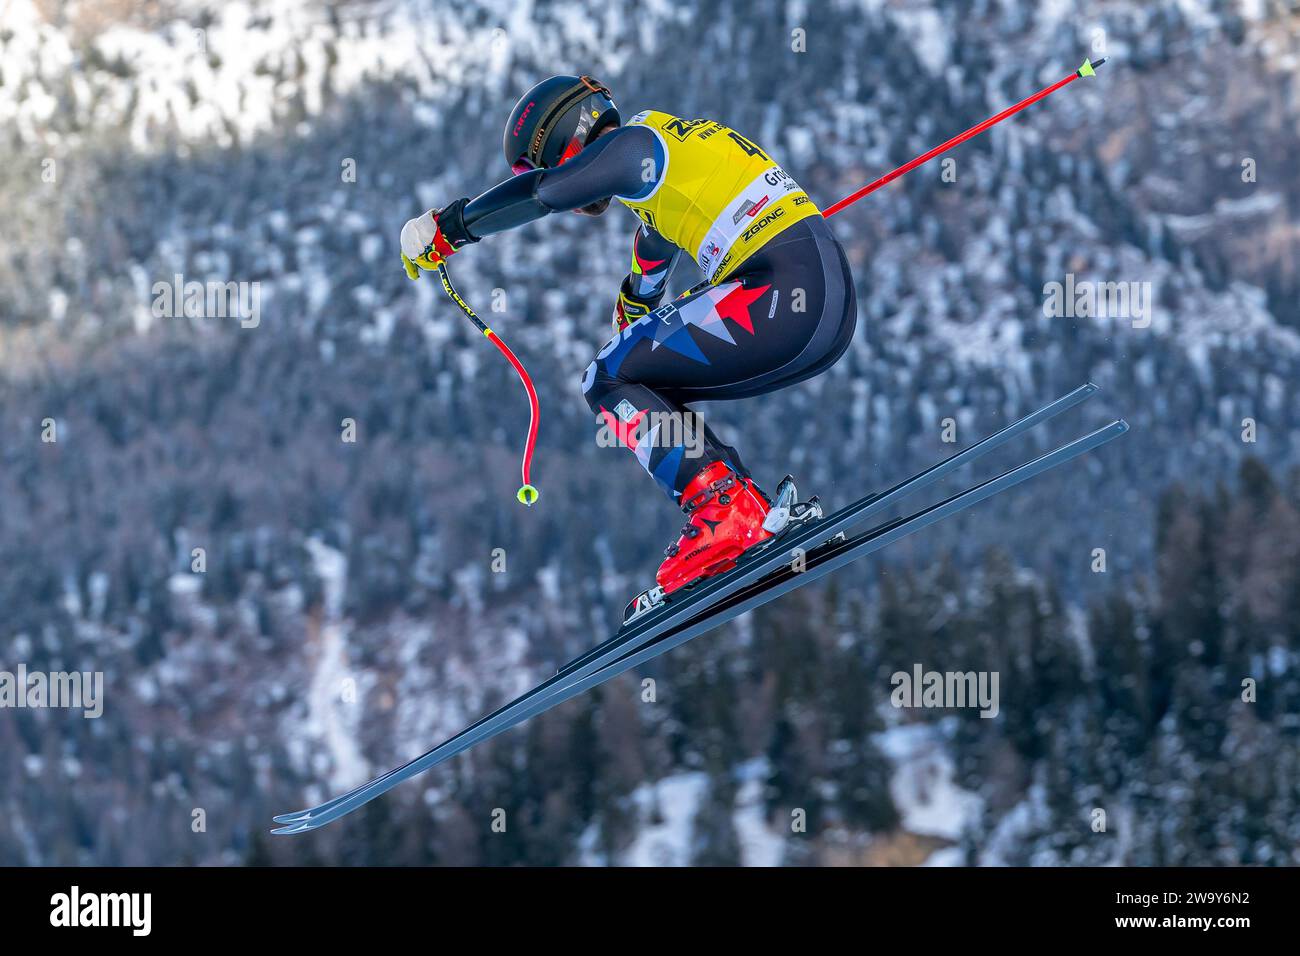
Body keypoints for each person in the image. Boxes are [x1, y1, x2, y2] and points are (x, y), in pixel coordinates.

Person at [401, 75, 857, 596]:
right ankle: (740, 511)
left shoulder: (631, 146)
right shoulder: (660, 150)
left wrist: (450, 226)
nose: (553, 177)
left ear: (565, 135)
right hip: (822, 303)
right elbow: (655, 242)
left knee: (606, 377)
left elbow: (544, 195)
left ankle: (725, 511)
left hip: (783, 293)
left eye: (542, 161)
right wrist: (637, 300)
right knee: (635, 377)